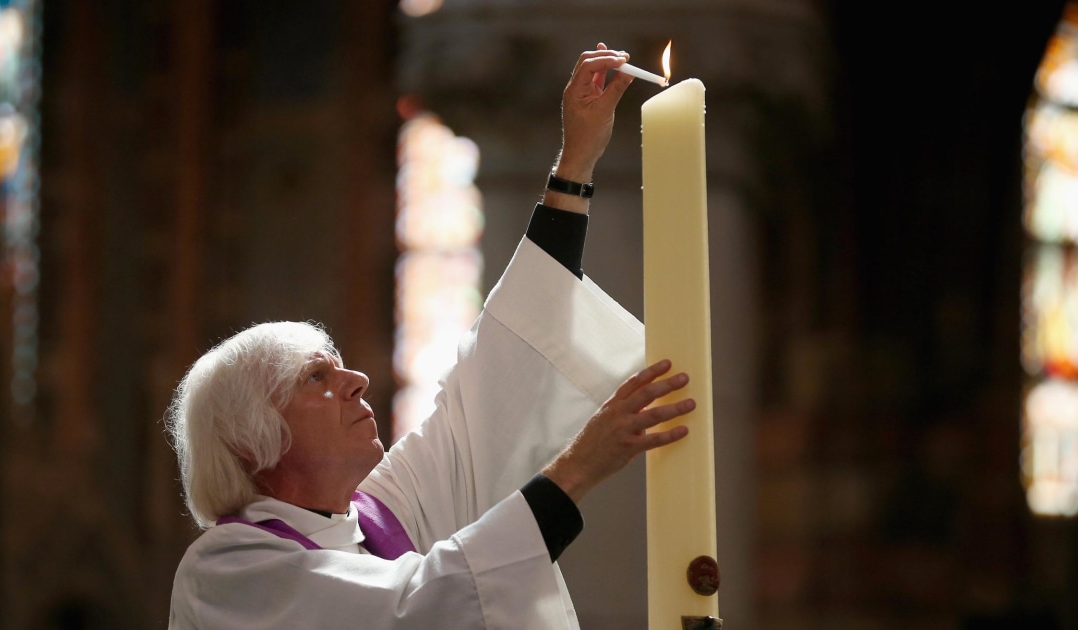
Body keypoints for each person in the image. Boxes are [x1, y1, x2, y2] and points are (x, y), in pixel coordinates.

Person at [166, 44, 694, 629]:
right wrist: (580, 467)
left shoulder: (384, 516)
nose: (357, 380)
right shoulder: (227, 569)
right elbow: (420, 605)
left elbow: (501, 367)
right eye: (316, 376)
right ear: (251, 438)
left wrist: (576, 161)